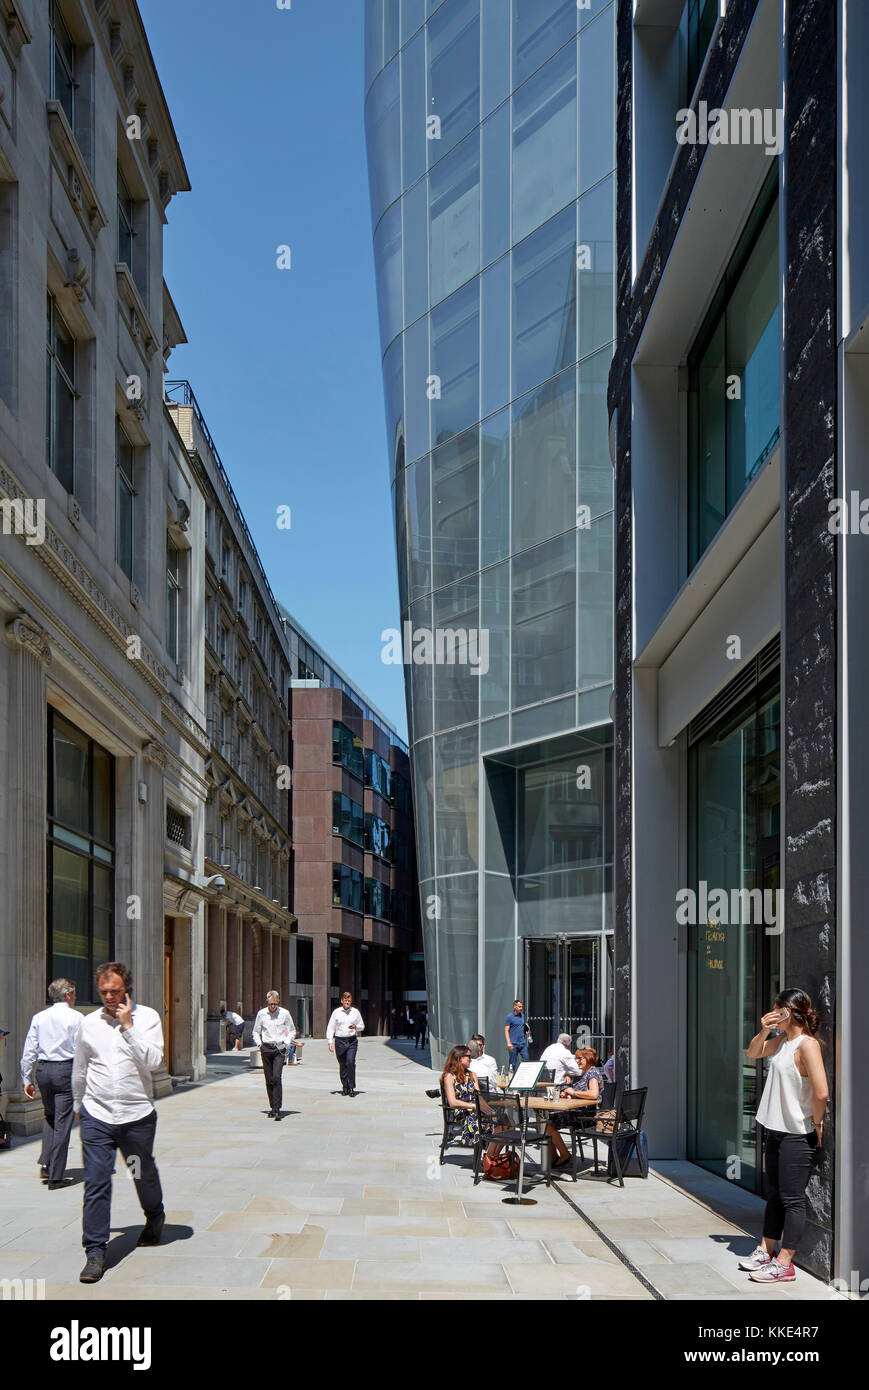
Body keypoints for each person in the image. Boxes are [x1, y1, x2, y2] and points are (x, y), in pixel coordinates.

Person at [73, 962, 165, 1285]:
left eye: (115, 991)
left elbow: (155, 1061)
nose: (109, 997)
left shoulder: (148, 1018)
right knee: (97, 1180)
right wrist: (77, 1104)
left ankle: (155, 1216)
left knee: (140, 1171)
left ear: (127, 988)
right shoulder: (88, 1023)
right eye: (103, 992)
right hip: (97, 1115)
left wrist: (128, 1027)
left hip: (136, 1117)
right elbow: (80, 1067)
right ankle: (95, 1251)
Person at [739, 989, 828, 1284]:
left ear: (788, 1013)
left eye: (776, 1011)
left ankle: (785, 1263)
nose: (772, 1013)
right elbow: (752, 1052)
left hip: (796, 1134)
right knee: (775, 1194)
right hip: (775, 1129)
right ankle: (766, 1249)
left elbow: (821, 1091)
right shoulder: (781, 1042)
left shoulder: (807, 1045)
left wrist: (817, 1123)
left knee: (792, 1199)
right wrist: (765, 1029)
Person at [20, 979, 82, 1188]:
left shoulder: (39, 1017)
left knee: (49, 1116)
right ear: (68, 994)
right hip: (65, 1070)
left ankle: (46, 1164)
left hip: (44, 1070)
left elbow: (29, 1051)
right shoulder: (77, 1018)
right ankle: (56, 1176)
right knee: (62, 1123)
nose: (74, 998)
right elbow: (82, 1050)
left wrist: (27, 1079)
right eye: (73, 994)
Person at [441, 1044, 505, 1165]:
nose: (471, 1059)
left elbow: (479, 1097)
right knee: (493, 1124)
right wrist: (473, 1106)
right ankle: (490, 1160)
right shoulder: (449, 1076)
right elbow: (452, 1102)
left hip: (476, 1110)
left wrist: (487, 1109)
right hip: (462, 1113)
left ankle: (489, 1158)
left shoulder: (472, 1075)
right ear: (459, 1058)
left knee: (506, 1124)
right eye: (468, 1057)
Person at [546, 1047, 606, 1167]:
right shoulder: (587, 1073)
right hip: (581, 1113)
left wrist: (573, 1092)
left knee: (546, 1123)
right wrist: (568, 1093)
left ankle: (563, 1155)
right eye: (576, 1058)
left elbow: (594, 1094)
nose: (577, 1061)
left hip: (585, 1117)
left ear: (589, 1059)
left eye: (580, 1058)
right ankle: (554, 1158)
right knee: (544, 1119)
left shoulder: (592, 1073)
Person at [252, 991, 295, 1119]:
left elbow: (292, 1030)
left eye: (275, 1004)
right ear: (267, 1002)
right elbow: (255, 1032)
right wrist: (260, 1044)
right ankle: (272, 1106)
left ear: (278, 1002)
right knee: (269, 1079)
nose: (273, 1007)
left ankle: (277, 1108)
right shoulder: (261, 1014)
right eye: (271, 1004)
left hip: (280, 1047)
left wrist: (286, 1043)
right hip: (266, 1047)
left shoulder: (284, 1013)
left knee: (276, 1077)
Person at [327, 991, 365, 1096]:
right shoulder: (336, 1012)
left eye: (349, 1000)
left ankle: (351, 1087)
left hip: (351, 1040)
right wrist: (330, 1041)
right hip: (339, 1041)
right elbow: (331, 1028)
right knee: (343, 1064)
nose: (347, 1002)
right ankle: (345, 1086)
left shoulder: (355, 1012)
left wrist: (356, 1027)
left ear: (351, 1001)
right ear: (342, 1001)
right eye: (345, 1000)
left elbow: (362, 1026)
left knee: (350, 1062)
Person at [504, 999, 529, 1072]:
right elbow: (506, 1030)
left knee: (527, 1060)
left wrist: (526, 1031)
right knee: (513, 1063)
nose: (521, 1008)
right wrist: (508, 1043)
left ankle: (524, 1077)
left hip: (522, 1043)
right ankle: (510, 1079)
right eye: (519, 1007)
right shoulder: (509, 1017)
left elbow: (522, 1026)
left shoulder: (522, 1016)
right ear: (515, 1007)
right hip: (513, 1044)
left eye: (522, 1007)